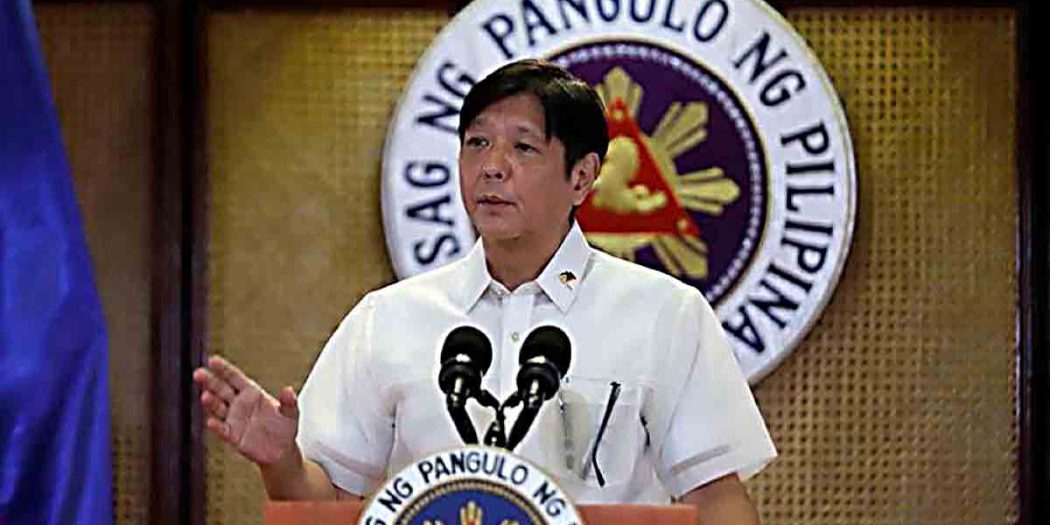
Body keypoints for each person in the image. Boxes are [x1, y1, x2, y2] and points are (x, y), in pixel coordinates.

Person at [193, 59, 776, 524]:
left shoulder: (664, 315)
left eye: (522, 147)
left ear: (582, 176)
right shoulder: (391, 317)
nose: (491, 168)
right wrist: (281, 461)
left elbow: (715, 498)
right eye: (476, 144)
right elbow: (326, 503)